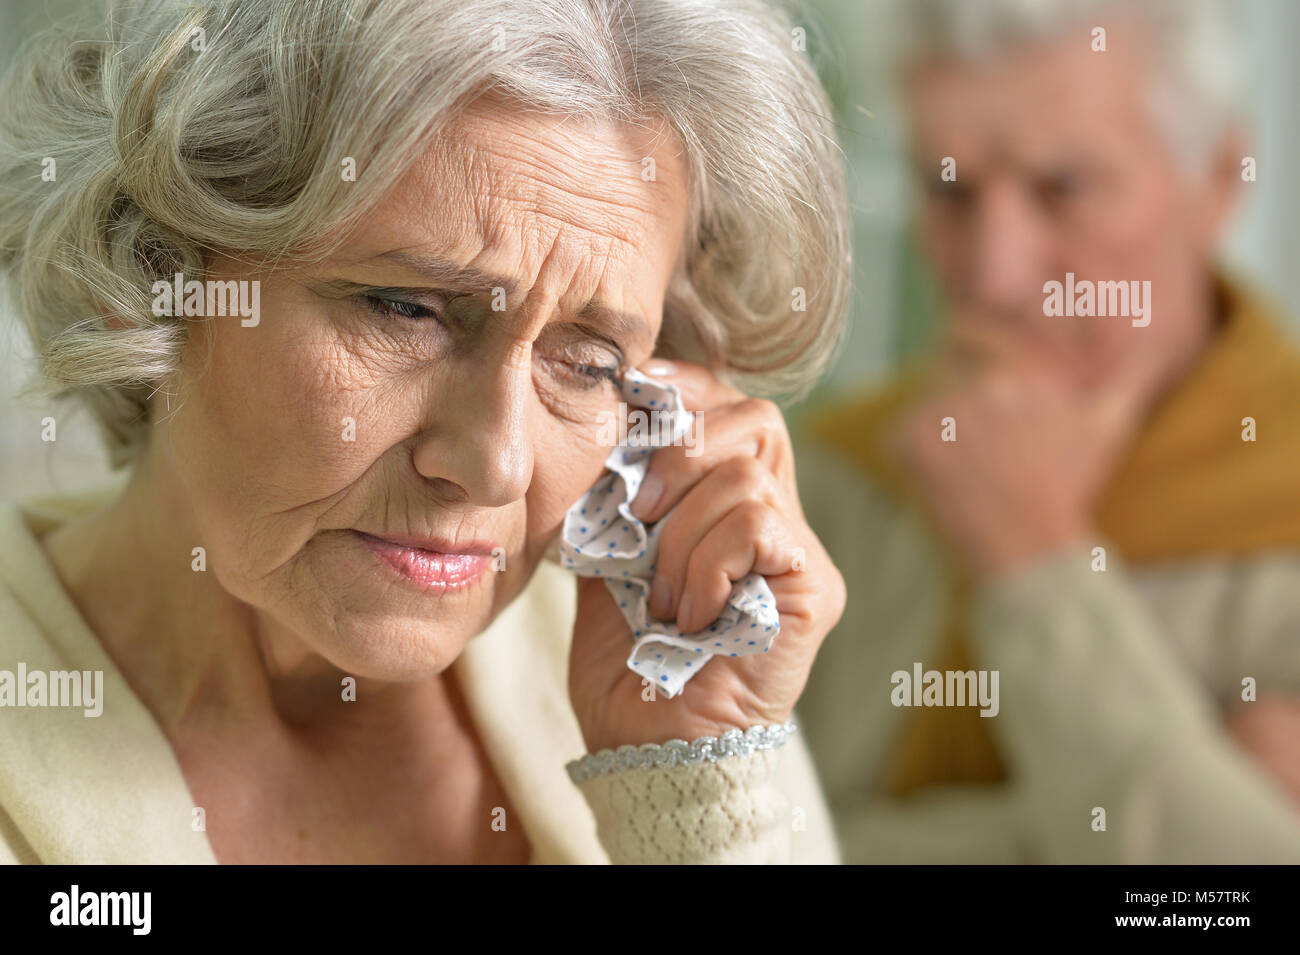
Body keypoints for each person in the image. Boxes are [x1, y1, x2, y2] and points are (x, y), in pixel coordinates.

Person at [0, 0, 850, 864]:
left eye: (589, 362)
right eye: (407, 310)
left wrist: (695, 793)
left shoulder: (661, 664)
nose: (496, 463)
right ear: (153, 269)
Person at [795, 0, 1300, 863]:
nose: (995, 273)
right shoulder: (825, 482)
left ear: (1218, 180)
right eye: (950, 190)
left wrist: (1029, 553)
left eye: (1062, 187)